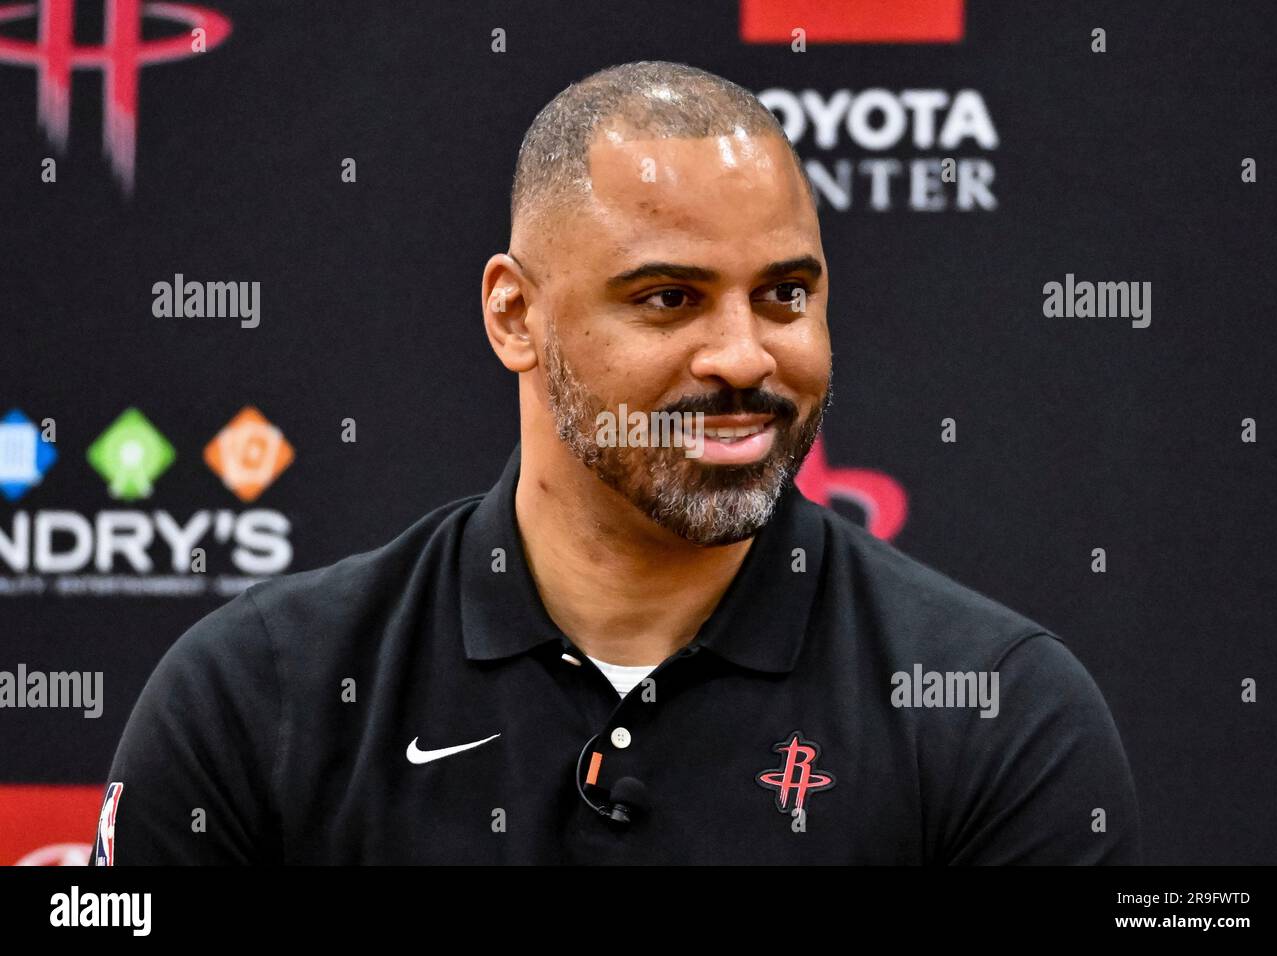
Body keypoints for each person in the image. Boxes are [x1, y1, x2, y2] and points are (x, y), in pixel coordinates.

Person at [92, 60, 1140, 865]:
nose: (742, 356)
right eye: (667, 298)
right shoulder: (255, 695)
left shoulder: (996, 710)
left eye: (784, 293)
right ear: (514, 313)